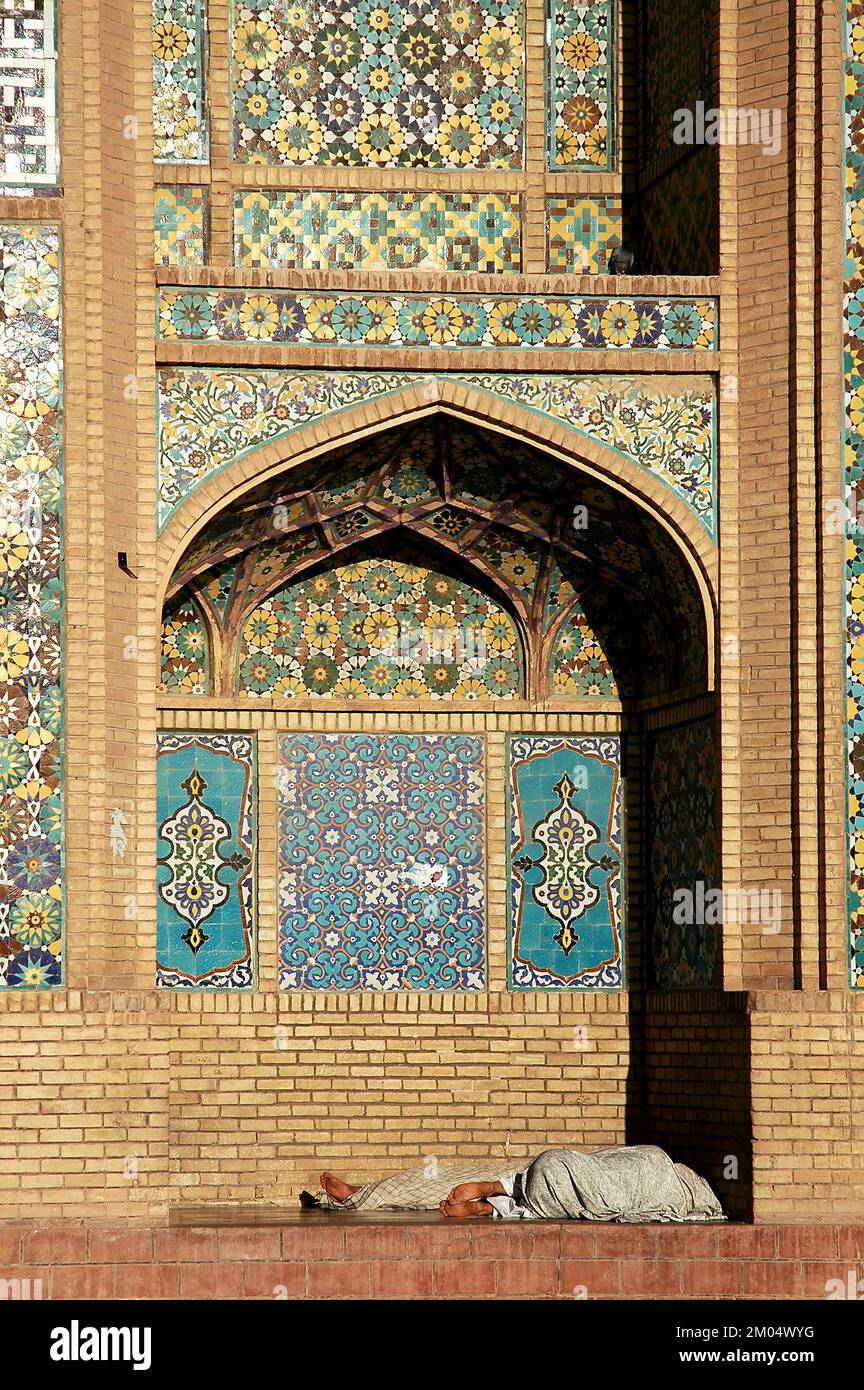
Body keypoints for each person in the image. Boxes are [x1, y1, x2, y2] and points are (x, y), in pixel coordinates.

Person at [313, 1144, 724, 1223]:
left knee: (441, 1180)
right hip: (557, 1179)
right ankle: (495, 1201)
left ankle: (496, 1191)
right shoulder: (666, 1177)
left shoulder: (657, 1161)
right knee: (547, 1200)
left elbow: (621, 1159)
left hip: (552, 1169)